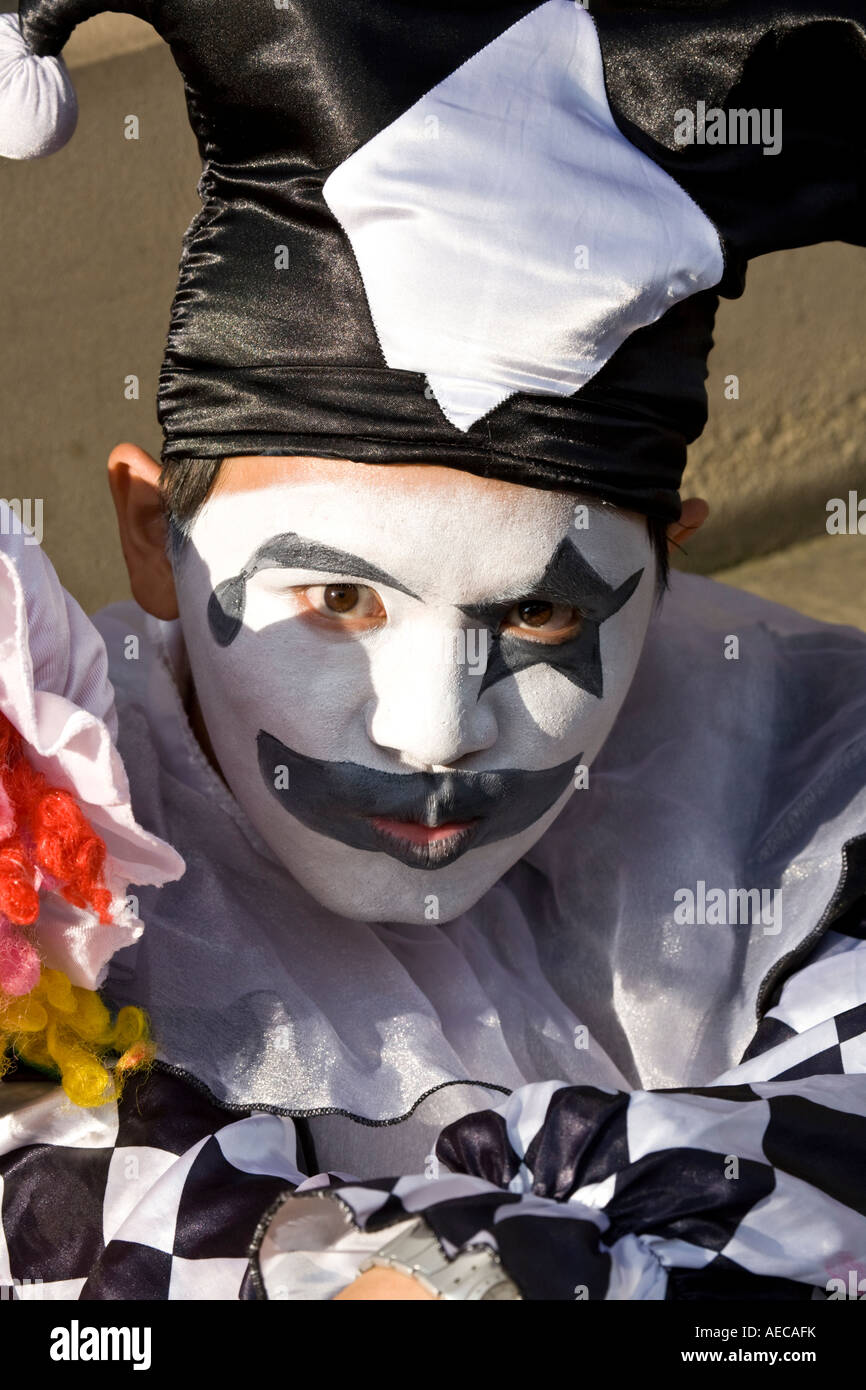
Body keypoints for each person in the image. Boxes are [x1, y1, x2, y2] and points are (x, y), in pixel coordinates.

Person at [0, 0, 864, 1301]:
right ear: (147, 535)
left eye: (537, 613)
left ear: (668, 563)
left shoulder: (784, 777)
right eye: (338, 597)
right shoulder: (47, 854)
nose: (433, 732)